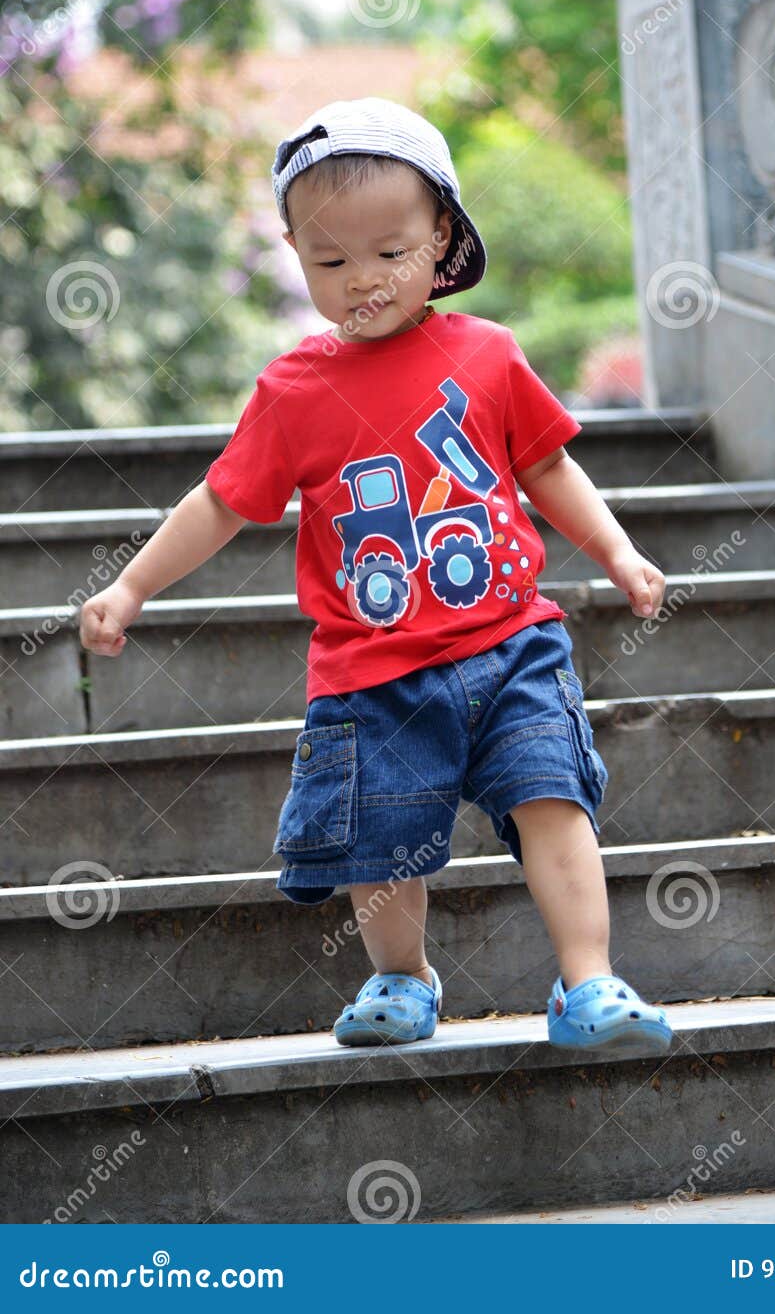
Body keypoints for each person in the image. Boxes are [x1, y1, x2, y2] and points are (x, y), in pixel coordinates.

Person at [79, 97, 672, 1056]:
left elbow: (547, 466)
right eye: (331, 262)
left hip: (510, 641)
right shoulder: (294, 391)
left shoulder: (485, 355)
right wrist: (134, 585)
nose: (364, 281)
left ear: (442, 237)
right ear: (294, 254)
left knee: (551, 794)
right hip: (372, 670)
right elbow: (223, 501)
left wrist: (615, 549)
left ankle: (588, 980)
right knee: (377, 845)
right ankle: (402, 975)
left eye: (390, 253)